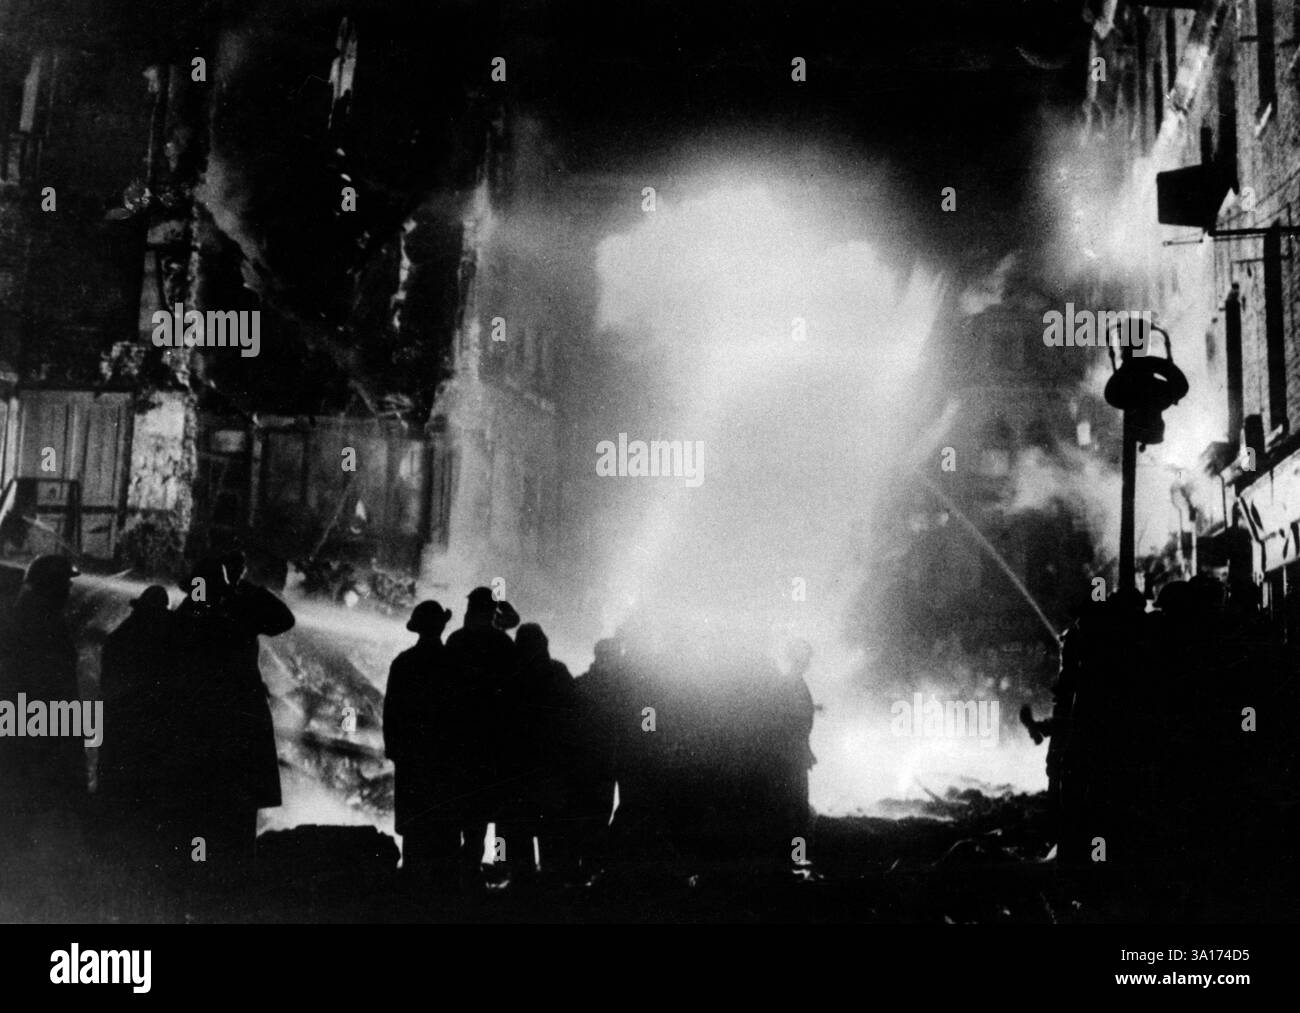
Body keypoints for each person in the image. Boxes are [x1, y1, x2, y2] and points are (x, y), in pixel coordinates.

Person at [0, 555, 85, 854]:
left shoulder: (28, 615)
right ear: (52, 586)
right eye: (64, 584)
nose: (68, 591)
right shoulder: (42, 623)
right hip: (36, 728)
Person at [441, 586, 517, 886]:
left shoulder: (457, 641)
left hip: (463, 743)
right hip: (495, 744)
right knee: (496, 812)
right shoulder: (502, 644)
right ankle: (498, 869)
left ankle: (468, 869)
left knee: (469, 814)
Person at [98, 585, 174, 874]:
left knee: (119, 797)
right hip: (147, 732)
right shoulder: (162, 641)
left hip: (119, 729)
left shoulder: (119, 637)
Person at [383, 600, 453, 892]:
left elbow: (391, 712)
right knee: (445, 827)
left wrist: (395, 751)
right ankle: (443, 895)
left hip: (412, 758)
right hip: (445, 760)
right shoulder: (454, 663)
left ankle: (413, 892)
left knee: (414, 828)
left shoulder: (403, 663)